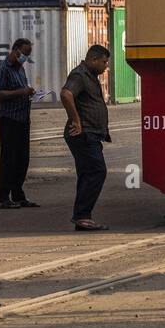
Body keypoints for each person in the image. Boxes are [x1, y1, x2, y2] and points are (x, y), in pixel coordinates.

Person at [61, 44, 113, 231]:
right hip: (83, 134)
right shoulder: (80, 75)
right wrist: (76, 120)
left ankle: (82, 217)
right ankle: (82, 215)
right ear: (93, 59)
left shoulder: (90, 76)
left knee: (87, 174)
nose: (106, 66)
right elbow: (66, 94)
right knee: (97, 171)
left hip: (91, 134)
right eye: (104, 62)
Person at [0, 38, 38, 209]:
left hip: (22, 119)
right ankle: (4, 198)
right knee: (9, 160)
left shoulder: (20, 69)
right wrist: (21, 92)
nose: (25, 57)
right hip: (9, 119)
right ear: (16, 50)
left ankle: (18, 195)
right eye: (24, 53)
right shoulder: (2, 69)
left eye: (28, 55)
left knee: (22, 159)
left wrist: (29, 92)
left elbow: (22, 90)